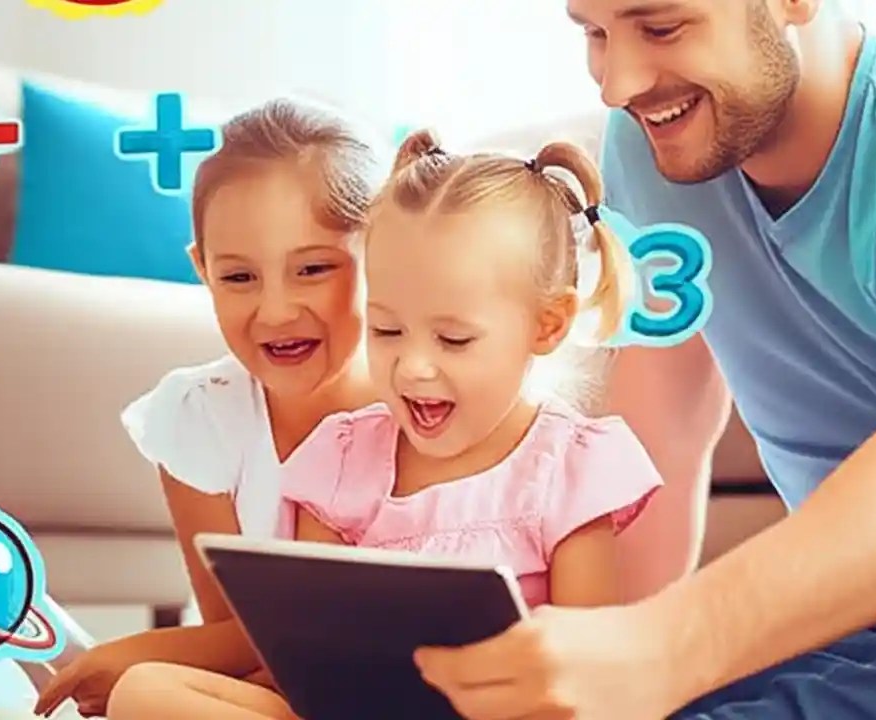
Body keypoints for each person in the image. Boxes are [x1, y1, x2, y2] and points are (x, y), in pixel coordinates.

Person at [412, 1, 876, 718]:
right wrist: (600, 661)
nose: (617, 84)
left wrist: (671, 645)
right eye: (596, 34)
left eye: (662, 28)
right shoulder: (650, 155)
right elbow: (659, 438)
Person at [98, 131, 667, 719]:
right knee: (145, 692)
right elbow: (297, 655)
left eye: (453, 339)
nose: (413, 367)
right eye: (387, 331)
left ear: (547, 326)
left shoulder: (569, 469)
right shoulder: (341, 457)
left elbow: (588, 689)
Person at [33, 97, 386, 718]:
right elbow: (242, 647)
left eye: (312, 269)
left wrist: (141, 647)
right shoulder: (200, 415)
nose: (275, 311)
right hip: (278, 692)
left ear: (383, 256)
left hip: (402, 690)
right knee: (146, 694)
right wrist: (135, 665)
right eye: (239, 278)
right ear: (202, 269)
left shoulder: (421, 405)